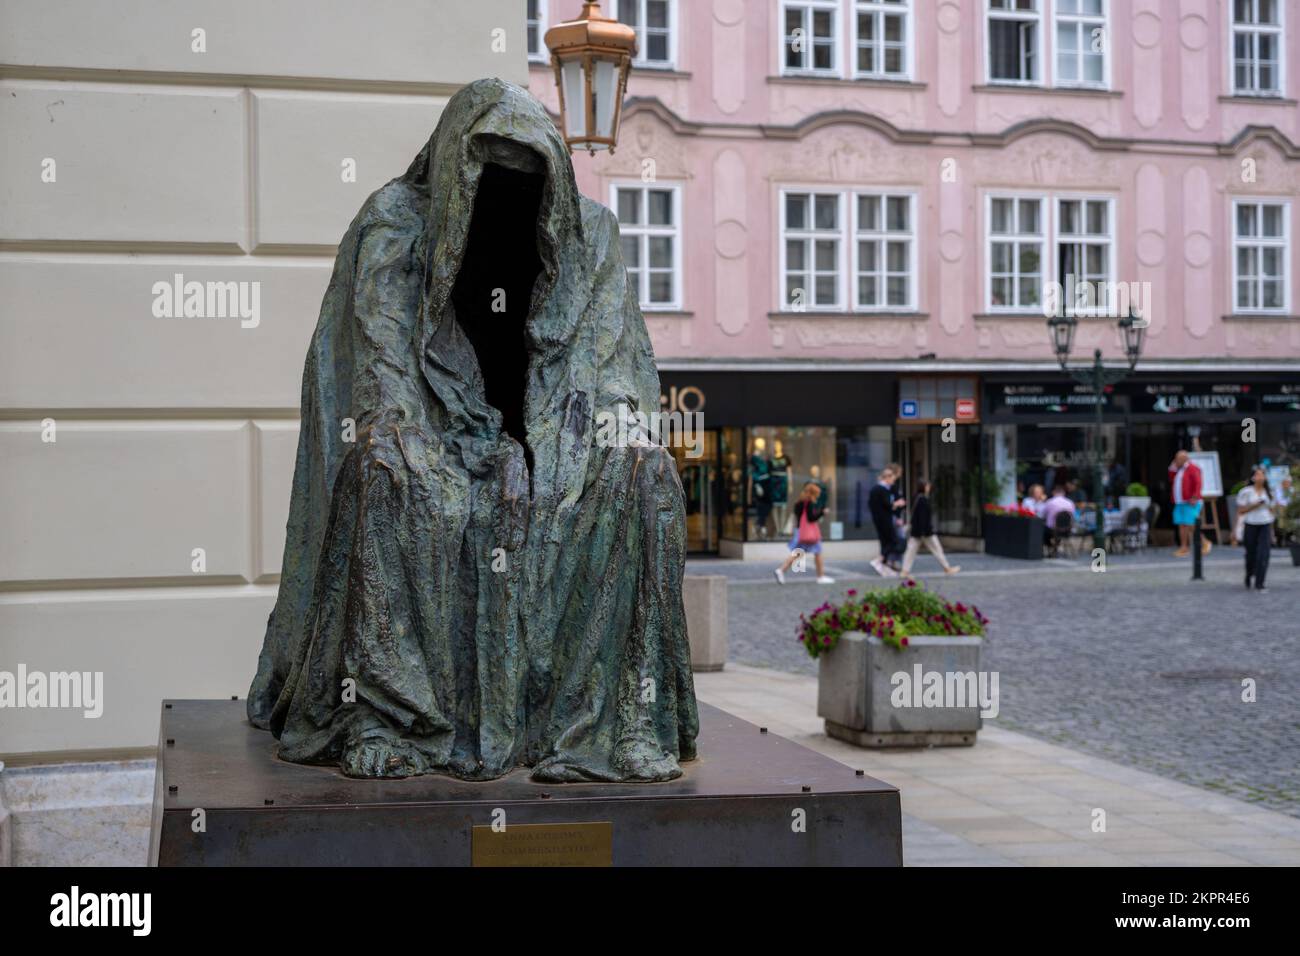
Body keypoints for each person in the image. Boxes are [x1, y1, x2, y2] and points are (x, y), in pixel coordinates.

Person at [774, 482, 834, 585]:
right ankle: (820, 576)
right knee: (817, 552)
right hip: (809, 533)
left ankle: (781, 570)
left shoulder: (799, 503)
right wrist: (822, 513)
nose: (817, 497)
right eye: (817, 494)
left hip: (801, 531)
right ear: (812, 494)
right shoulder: (808, 503)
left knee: (798, 553)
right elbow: (811, 518)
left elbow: (800, 517)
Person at [900, 479, 960, 576]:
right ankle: (947, 568)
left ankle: (904, 571)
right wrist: (924, 531)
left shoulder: (917, 498)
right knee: (936, 549)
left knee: (911, 551)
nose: (928, 488)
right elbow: (923, 517)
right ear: (923, 487)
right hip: (925, 531)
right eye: (927, 486)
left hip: (918, 531)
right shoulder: (922, 500)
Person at [1237, 466, 1275, 591]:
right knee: (1251, 554)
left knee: (1264, 554)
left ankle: (1260, 583)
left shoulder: (1269, 492)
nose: (1260, 477)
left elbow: (1272, 511)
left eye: (1262, 475)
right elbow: (1241, 510)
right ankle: (1249, 574)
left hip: (1265, 524)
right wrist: (1254, 505)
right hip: (1250, 524)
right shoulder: (1245, 491)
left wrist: (1272, 531)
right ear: (1253, 477)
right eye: (1258, 475)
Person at [1169, 449, 1211, 557]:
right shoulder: (1179, 469)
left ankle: (1205, 542)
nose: (1175, 460)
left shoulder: (1193, 468)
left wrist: (1195, 497)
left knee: (1191, 524)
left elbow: (1198, 483)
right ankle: (1184, 547)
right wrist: (1173, 467)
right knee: (1182, 524)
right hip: (1180, 501)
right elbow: (1172, 478)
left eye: (1177, 458)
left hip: (1190, 501)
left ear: (1184, 459)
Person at [869, 467, 902, 576]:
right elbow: (888, 505)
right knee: (893, 541)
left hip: (879, 519)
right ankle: (879, 560)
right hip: (885, 520)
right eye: (892, 478)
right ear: (887, 478)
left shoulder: (875, 489)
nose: (893, 481)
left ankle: (883, 566)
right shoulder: (882, 489)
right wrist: (897, 504)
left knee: (885, 542)